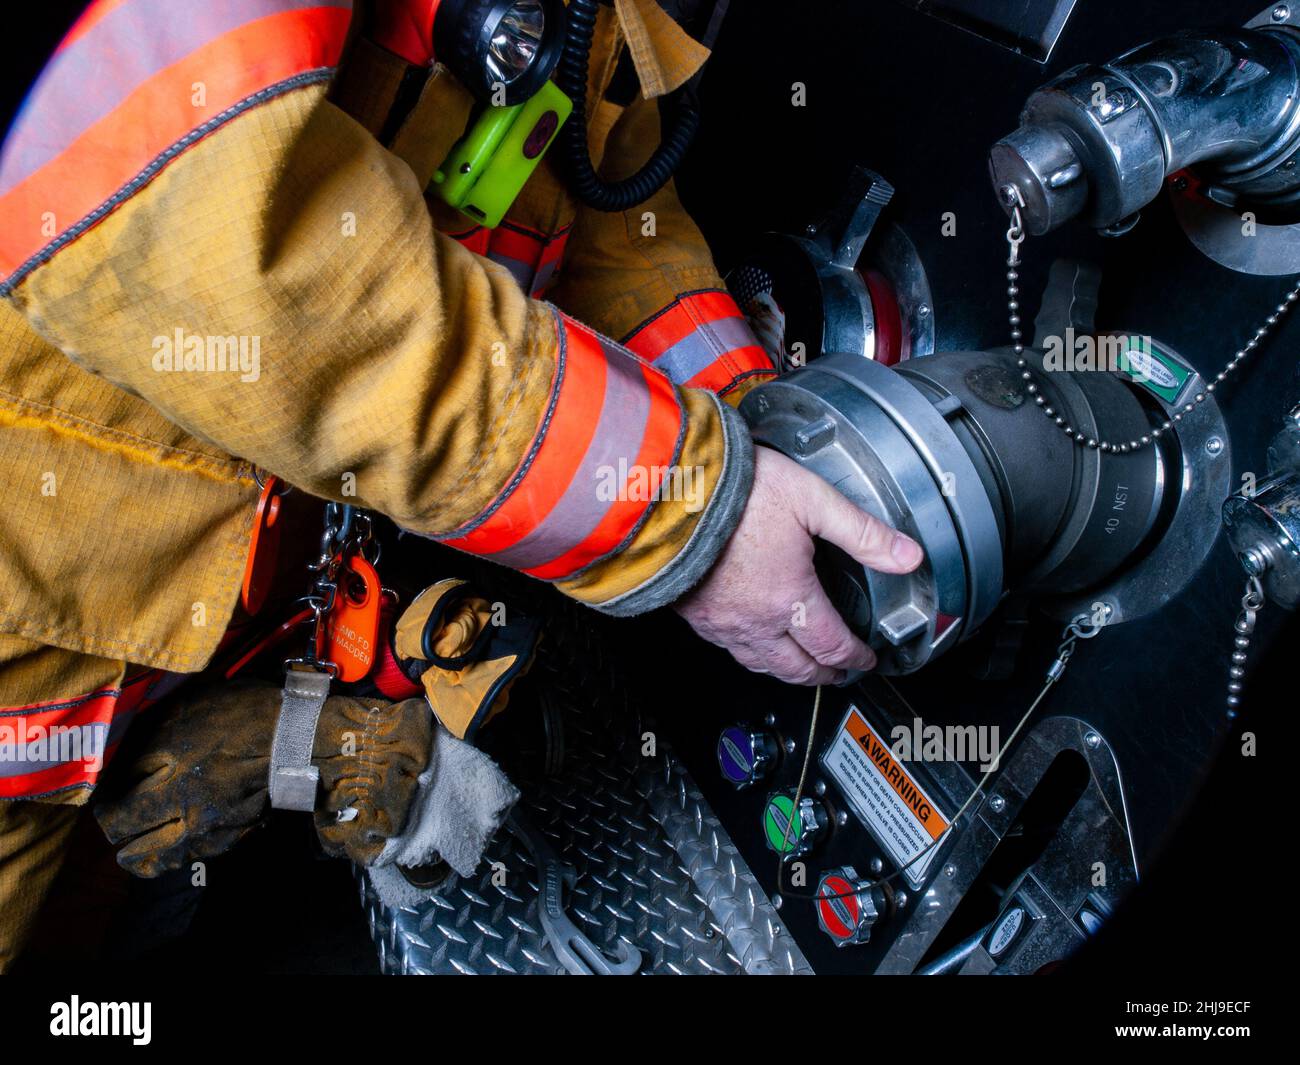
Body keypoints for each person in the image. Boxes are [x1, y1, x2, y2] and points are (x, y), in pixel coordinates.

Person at [0, 0, 921, 968]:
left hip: (176, 631)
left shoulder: (605, 19)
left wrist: (764, 440)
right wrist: (690, 510)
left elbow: (619, 249)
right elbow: (204, 231)